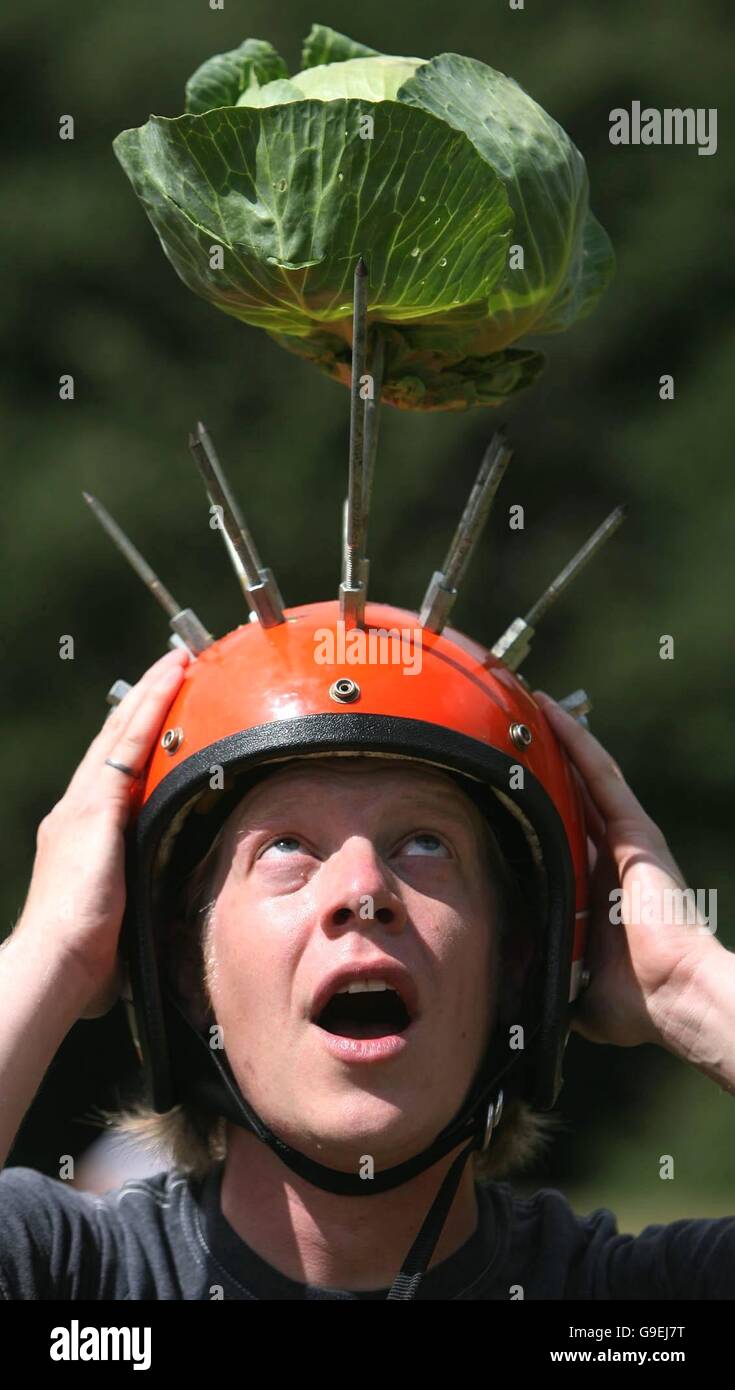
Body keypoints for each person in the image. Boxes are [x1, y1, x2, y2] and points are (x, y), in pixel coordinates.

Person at [0, 643, 733, 1301]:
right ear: (188, 971)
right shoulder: (67, 1278)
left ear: (515, 962)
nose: (362, 890)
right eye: (286, 846)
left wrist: (685, 985)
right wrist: (54, 949)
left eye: (424, 842)